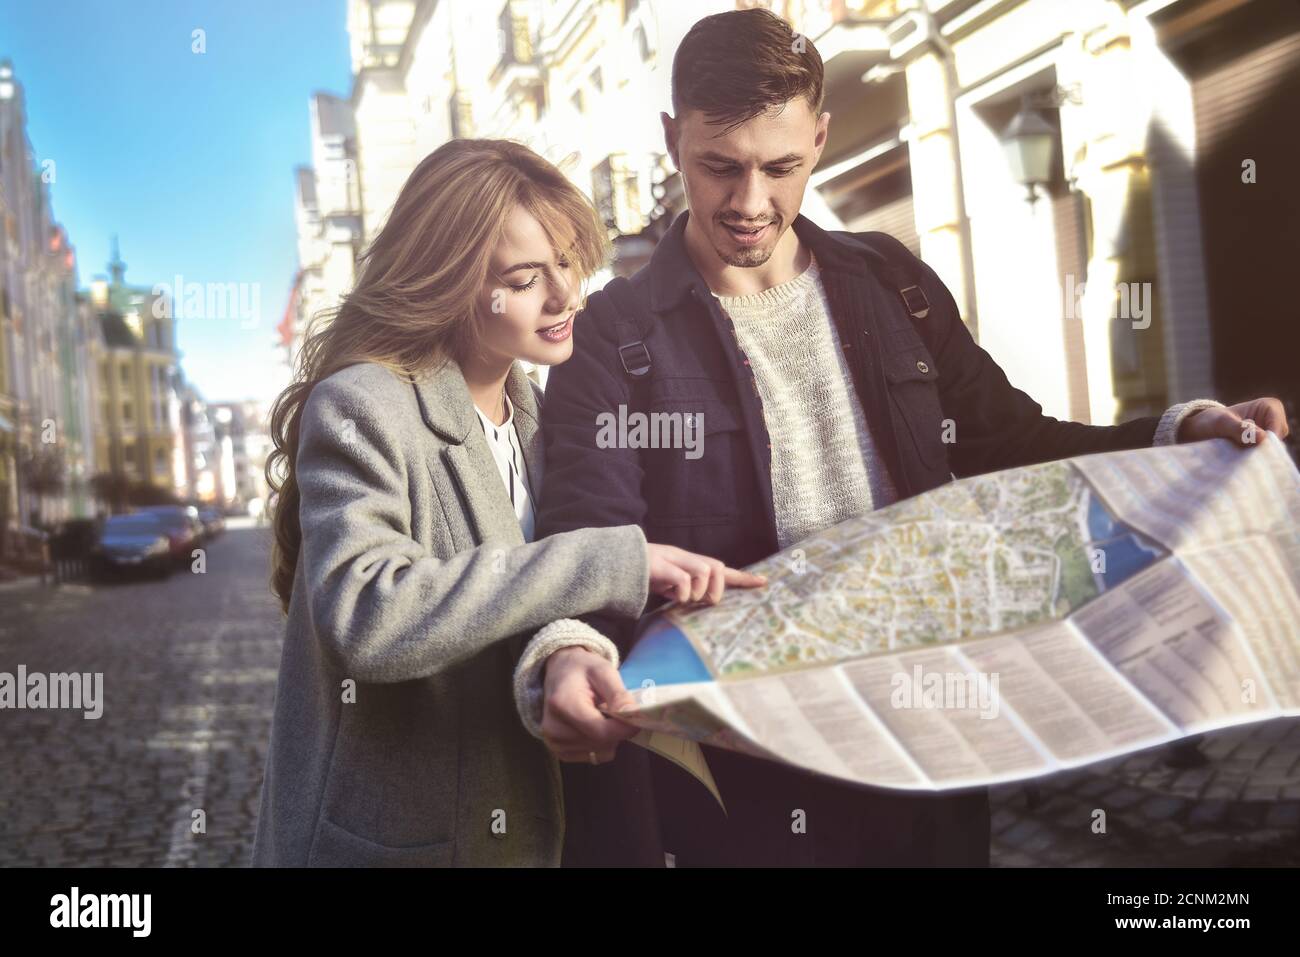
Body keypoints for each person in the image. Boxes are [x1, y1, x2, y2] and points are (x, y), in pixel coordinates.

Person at [519, 8, 1291, 866]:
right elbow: (589, 535)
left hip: (930, 749)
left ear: (820, 135)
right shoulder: (612, 336)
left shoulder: (894, 283)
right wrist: (571, 647)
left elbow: (1007, 439)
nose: (749, 202)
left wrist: (1178, 436)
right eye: (718, 167)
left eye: (780, 167)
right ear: (672, 140)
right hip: (746, 779)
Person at [250, 138, 764, 867]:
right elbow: (368, 613)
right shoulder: (363, 404)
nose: (564, 295)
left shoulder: (534, 411)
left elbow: (515, 612)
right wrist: (607, 561)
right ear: (449, 281)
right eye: (525, 278)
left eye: (565, 261)